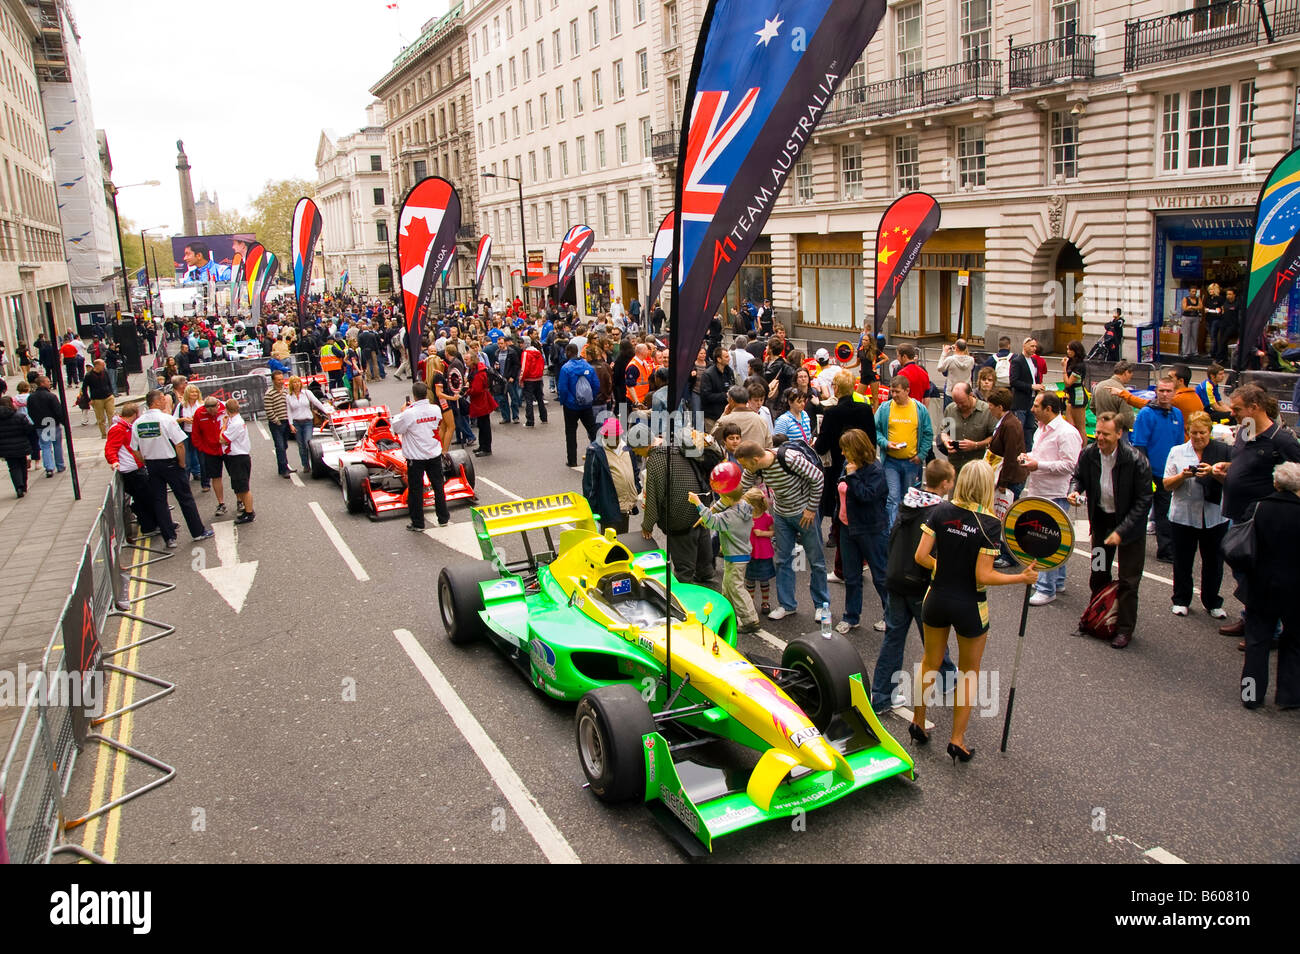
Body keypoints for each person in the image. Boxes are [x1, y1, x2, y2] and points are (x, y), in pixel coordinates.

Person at [912, 461, 1037, 761]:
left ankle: (917, 722)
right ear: (986, 487)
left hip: (937, 597)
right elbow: (983, 576)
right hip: (970, 605)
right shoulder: (991, 524)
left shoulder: (940, 510)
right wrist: (1020, 578)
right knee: (968, 674)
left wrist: (942, 566)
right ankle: (957, 740)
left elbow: (920, 555)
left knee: (930, 662)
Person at [1213, 384, 1300, 642]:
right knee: (1242, 570)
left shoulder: (1281, 440)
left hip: (1261, 521)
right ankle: (1250, 617)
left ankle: (1270, 630)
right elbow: (1244, 461)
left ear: (1255, 407)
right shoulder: (1245, 431)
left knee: (1258, 573)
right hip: (1238, 514)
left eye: (1237, 409)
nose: (1233, 414)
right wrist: (1227, 468)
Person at [871, 459, 958, 714]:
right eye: (951, 480)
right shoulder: (941, 512)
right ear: (944, 483)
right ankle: (947, 678)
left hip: (896, 577)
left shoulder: (908, 501)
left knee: (894, 638)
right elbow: (933, 552)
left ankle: (881, 695)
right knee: (933, 636)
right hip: (920, 583)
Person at [1068, 413, 1152, 649]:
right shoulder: (1089, 454)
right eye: (1099, 434)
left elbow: (1144, 501)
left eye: (1106, 434)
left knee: (1128, 581)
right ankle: (1095, 617)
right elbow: (1078, 477)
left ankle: (1124, 630)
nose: (1100, 438)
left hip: (1130, 529)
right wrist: (1075, 490)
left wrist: (1122, 531)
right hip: (1102, 523)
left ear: (1119, 434)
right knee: (1098, 573)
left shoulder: (1136, 461)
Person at [736, 439, 829, 622]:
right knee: (783, 559)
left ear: (755, 459)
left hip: (804, 512)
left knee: (816, 560)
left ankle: (821, 606)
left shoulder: (789, 458)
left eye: (744, 463)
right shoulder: (754, 468)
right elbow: (741, 488)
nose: (743, 468)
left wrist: (811, 509)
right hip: (781, 513)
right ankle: (787, 605)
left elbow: (817, 477)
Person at [1240, 462, 1300, 709]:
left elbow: (1243, 543)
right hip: (1296, 589)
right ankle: (1289, 696)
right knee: (1295, 643)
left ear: (1276, 483)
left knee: (1257, 642)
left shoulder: (1259, 507)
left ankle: (1251, 695)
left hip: (1261, 585)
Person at [1163, 411, 1231, 618]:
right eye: (1194, 433)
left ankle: (1212, 602)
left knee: (1213, 561)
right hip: (1183, 515)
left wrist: (1214, 473)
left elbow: (1233, 483)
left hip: (1214, 515)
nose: (1198, 437)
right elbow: (1166, 485)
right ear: (1187, 433)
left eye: (1202, 433)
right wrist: (1183, 476)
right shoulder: (1177, 451)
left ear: (1210, 431)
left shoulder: (1223, 451)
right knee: (1183, 560)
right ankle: (1181, 599)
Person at [1021, 392, 1083, 605]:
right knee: (1054, 539)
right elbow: (1042, 453)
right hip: (1039, 490)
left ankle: (1046, 589)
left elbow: (1070, 465)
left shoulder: (1067, 433)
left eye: (1037, 405)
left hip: (1055, 493)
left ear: (1049, 409)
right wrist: (1029, 457)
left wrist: (1038, 465)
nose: (1032, 409)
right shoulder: (1041, 428)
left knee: (1046, 541)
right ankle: (1057, 581)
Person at [131, 389, 213, 549]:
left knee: (159, 501)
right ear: (156, 402)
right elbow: (180, 444)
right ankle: (197, 532)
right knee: (185, 499)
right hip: (170, 463)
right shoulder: (166, 419)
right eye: (162, 399)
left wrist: (145, 461)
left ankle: (169, 538)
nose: (165, 401)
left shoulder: (138, 423)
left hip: (152, 465)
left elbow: (134, 449)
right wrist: (182, 463)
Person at [639, 430, 722, 584]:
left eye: (635, 450)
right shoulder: (676, 445)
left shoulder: (657, 459)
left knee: (684, 566)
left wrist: (647, 525)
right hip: (700, 506)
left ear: (642, 446)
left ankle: (686, 596)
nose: (636, 453)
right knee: (702, 545)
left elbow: (653, 496)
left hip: (679, 516)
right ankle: (707, 578)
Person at [835, 428, 889, 634]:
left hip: (871, 529)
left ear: (856, 449)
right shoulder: (848, 465)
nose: (842, 454)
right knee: (851, 576)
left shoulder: (875, 470)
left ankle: (890, 616)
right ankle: (851, 616)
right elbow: (841, 486)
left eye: (845, 449)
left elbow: (866, 496)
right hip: (847, 527)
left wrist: (852, 476)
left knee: (880, 575)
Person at [690, 486, 763, 635]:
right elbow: (717, 515)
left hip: (735, 556)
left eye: (722, 497)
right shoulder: (744, 507)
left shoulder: (730, 516)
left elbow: (711, 522)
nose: (720, 501)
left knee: (736, 587)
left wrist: (698, 502)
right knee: (729, 586)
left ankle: (750, 620)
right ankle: (728, 613)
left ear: (729, 499)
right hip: (739, 555)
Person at [1131, 376, 1184, 564]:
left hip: (1168, 474)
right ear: (1156, 391)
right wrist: (1145, 473)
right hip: (1149, 473)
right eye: (1161, 390)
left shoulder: (1177, 414)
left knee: (1165, 513)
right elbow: (1139, 445)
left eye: (1168, 391)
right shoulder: (1147, 413)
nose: (1164, 394)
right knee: (1140, 511)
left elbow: (1179, 446)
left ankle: (1166, 550)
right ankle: (1133, 545)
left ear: (1174, 392)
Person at [875, 375, 933, 529]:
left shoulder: (919, 409)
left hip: (911, 462)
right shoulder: (885, 408)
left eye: (897, 392)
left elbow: (928, 433)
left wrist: (921, 455)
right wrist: (885, 443)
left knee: (908, 498)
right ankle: (891, 531)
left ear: (907, 391)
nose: (893, 395)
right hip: (891, 461)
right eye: (891, 391)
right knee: (893, 497)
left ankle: (906, 530)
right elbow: (876, 430)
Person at [392, 381, 449, 531]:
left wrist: (404, 410)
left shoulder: (409, 413)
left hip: (416, 458)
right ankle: (443, 518)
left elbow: (396, 428)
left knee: (415, 490)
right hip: (434, 453)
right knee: (438, 486)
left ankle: (418, 523)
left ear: (414, 395)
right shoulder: (435, 409)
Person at [105, 403, 156, 533]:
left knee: (144, 498)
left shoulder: (125, 427)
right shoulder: (118, 429)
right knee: (144, 498)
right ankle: (149, 526)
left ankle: (150, 524)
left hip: (135, 467)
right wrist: (114, 461)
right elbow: (111, 448)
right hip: (132, 470)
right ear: (134, 415)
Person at [582, 418, 638, 534]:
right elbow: (590, 484)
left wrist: (637, 488)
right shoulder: (595, 452)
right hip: (608, 507)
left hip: (626, 505)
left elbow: (634, 471)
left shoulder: (626, 448)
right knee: (610, 544)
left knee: (623, 540)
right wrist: (592, 512)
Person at [557, 342, 600, 468]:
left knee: (570, 432)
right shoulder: (587, 366)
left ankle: (572, 460)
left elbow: (563, 388)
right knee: (593, 430)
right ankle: (599, 454)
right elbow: (595, 385)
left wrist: (564, 401)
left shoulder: (566, 368)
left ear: (568, 352)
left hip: (571, 406)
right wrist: (590, 397)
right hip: (586, 405)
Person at [939, 382, 994, 475]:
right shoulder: (950, 409)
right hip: (955, 465)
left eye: (962, 403)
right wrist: (946, 442)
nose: (959, 406)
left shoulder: (987, 411)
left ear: (971, 395)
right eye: (956, 402)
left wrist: (976, 445)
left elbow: (993, 437)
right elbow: (944, 432)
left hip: (977, 467)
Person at [220, 399, 256, 525]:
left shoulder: (235, 423)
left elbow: (222, 439)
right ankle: (247, 509)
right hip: (236, 457)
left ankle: (249, 512)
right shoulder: (234, 420)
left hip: (238, 457)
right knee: (239, 487)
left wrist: (223, 427)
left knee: (243, 488)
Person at [191, 396, 228, 515]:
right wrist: (203, 448)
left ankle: (239, 501)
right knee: (216, 477)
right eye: (209, 411)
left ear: (218, 405)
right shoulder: (199, 413)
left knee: (235, 475)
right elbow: (195, 434)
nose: (213, 413)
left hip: (226, 448)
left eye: (215, 410)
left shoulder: (225, 409)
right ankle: (221, 503)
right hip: (210, 451)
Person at [286, 375, 331, 472]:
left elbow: (316, 402)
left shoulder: (307, 393)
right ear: (291, 385)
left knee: (307, 442)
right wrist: (291, 424)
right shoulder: (289, 397)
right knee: (301, 445)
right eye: (294, 382)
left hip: (307, 422)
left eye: (298, 382)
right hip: (296, 422)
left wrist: (326, 411)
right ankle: (305, 464)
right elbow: (289, 411)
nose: (297, 384)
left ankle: (313, 462)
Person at [27, 375, 66, 477]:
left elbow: (30, 412)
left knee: (45, 446)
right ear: (42, 383)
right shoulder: (51, 396)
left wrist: (36, 422)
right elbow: (58, 411)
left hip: (41, 425)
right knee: (57, 445)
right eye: (48, 381)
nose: (50, 383)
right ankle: (60, 465)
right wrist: (63, 422)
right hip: (52, 423)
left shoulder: (31, 397)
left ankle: (49, 468)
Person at [745, 491, 775, 614]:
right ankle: (750, 602)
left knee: (764, 580)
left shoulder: (767, 518)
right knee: (750, 580)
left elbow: (772, 532)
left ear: (755, 505)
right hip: (750, 553)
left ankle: (765, 602)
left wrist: (762, 533)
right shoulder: (746, 518)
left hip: (764, 553)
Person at [466, 346, 497, 458]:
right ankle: (482, 445)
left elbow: (477, 389)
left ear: (472, 360)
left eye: (467, 360)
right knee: (481, 424)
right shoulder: (475, 369)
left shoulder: (479, 372)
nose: (465, 361)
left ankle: (486, 448)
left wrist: (467, 391)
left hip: (481, 401)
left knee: (484, 425)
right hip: (481, 400)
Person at [0, 396, 34, 498]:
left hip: (6, 448)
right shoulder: (19, 416)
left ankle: (18, 487)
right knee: (23, 465)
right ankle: (23, 485)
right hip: (21, 445)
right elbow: (28, 430)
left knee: (13, 467)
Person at [1092, 361, 1137, 433]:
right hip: (1117, 431)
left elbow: (1092, 406)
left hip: (1100, 427)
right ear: (1126, 372)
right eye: (1130, 374)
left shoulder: (1099, 386)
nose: (1131, 377)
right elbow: (1127, 419)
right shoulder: (1123, 393)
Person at [263, 370, 294, 478]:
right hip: (276, 424)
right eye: (279, 380)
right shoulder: (269, 393)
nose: (281, 381)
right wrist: (277, 421)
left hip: (287, 421)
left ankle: (283, 467)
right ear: (273, 381)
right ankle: (284, 469)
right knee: (280, 446)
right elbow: (269, 409)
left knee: (284, 445)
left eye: (282, 379)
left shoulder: (286, 391)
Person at [1060, 340, 1088, 439]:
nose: (1068, 351)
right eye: (1067, 349)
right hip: (1071, 396)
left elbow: (1068, 382)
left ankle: (1083, 450)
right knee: (1069, 425)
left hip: (1078, 397)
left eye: (1070, 349)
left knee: (1080, 428)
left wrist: (1063, 369)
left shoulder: (1079, 366)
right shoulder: (1071, 362)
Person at [81, 359, 115, 438]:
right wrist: (88, 399)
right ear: (96, 366)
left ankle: (112, 433)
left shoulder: (105, 372)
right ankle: (103, 434)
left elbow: (109, 383)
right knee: (100, 418)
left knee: (112, 416)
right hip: (97, 399)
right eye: (102, 365)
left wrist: (111, 393)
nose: (104, 367)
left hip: (108, 397)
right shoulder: (89, 376)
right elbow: (84, 388)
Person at [519, 334, 548, 426]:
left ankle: (530, 421)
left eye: (521, 343)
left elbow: (524, 368)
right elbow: (542, 364)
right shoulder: (537, 352)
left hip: (529, 379)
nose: (520, 345)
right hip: (538, 378)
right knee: (540, 399)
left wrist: (521, 379)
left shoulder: (526, 353)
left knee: (529, 400)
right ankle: (544, 418)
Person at [1179, 285, 1203, 357]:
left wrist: (1192, 307)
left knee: (1194, 335)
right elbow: (1185, 308)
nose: (1194, 293)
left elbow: (1201, 307)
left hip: (1195, 318)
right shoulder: (1185, 299)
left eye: (1195, 292)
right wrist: (1195, 308)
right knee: (1186, 335)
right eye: (1192, 291)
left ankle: (1194, 351)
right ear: (1189, 292)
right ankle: (1186, 352)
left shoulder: (1198, 299)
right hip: (1186, 317)